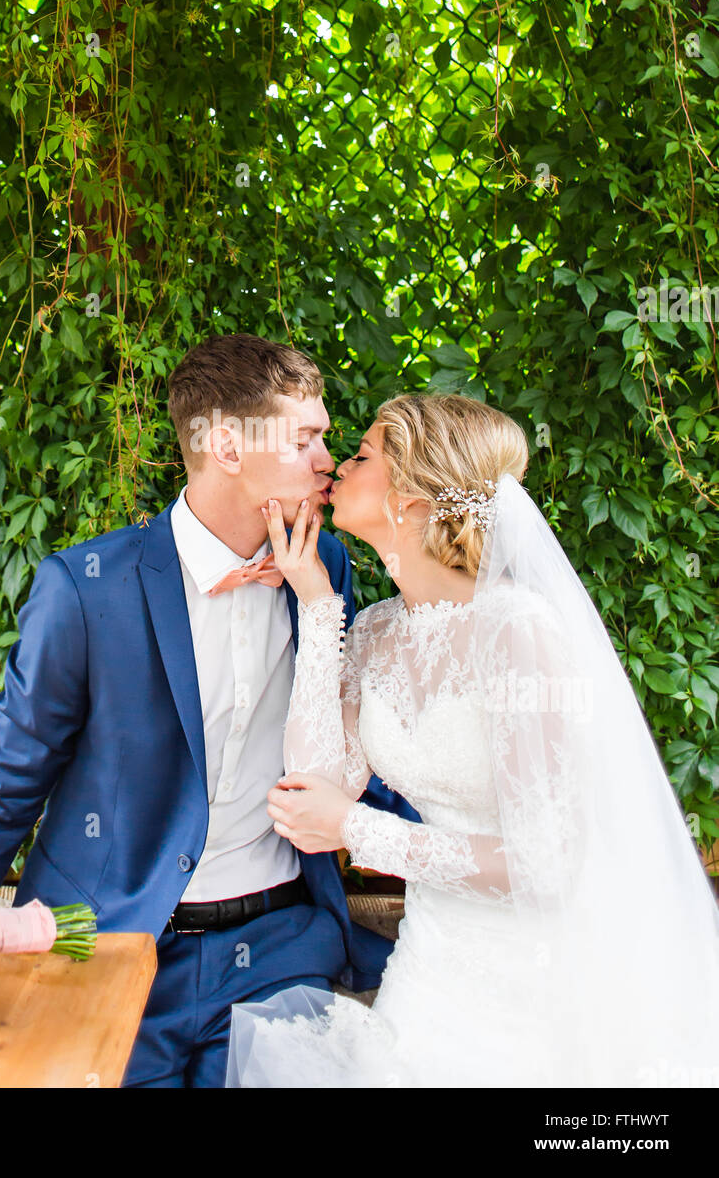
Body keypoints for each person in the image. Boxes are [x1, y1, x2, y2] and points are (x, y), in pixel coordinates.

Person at [0, 333, 418, 1088]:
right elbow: (11, 775)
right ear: (227, 445)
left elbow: (347, 745)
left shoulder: (324, 569)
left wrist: (473, 857)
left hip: (278, 944)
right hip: (105, 945)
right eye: (306, 439)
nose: (327, 459)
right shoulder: (87, 589)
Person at [227, 392, 719, 1088]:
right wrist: (317, 605)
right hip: (429, 978)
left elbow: (546, 864)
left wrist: (357, 831)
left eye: (364, 455)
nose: (338, 464)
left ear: (416, 495)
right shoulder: (372, 631)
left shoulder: (518, 632)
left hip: (540, 997)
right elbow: (315, 789)